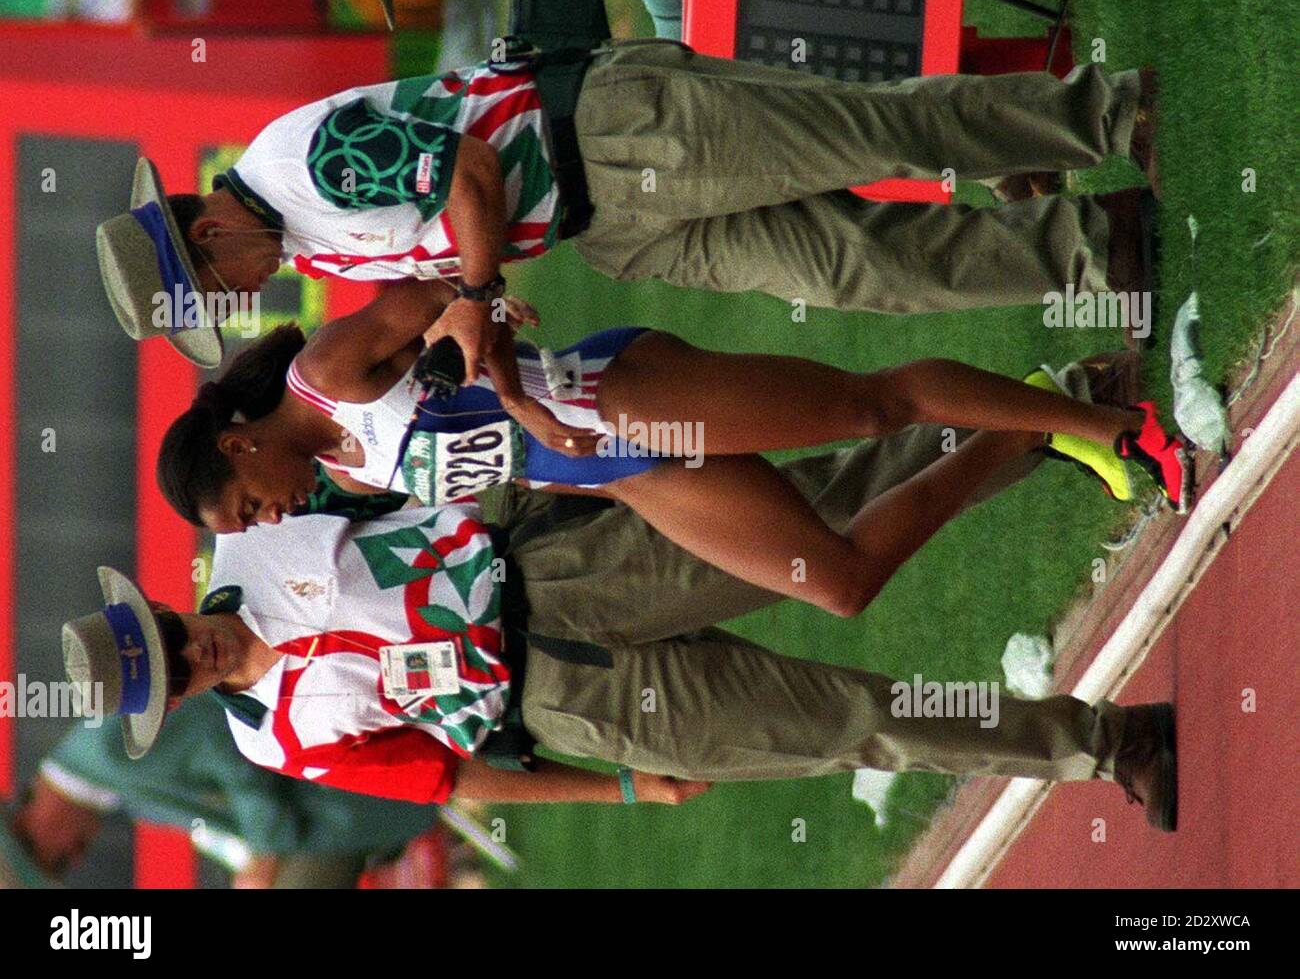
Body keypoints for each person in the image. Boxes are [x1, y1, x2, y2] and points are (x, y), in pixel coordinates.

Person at [61, 418, 1178, 831]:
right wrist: (626, 788)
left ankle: (1049, 413)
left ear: (165, 607)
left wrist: (568, 468)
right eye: (177, 675)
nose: (193, 654)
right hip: (569, 702)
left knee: (826, 509)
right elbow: (451, 783)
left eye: (172, 637)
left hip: (571, 571)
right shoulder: (277, 742)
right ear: (183, 702)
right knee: (849, 728)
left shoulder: (260, 541)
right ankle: (1112, 745)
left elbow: (387, 448)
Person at [93, 40, 1159, 369]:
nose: (240, 298)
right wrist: (455, 329)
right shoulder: (304, 246)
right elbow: (440, 269)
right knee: (850, 270)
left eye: (216, 286)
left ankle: (1109, 113)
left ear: (206, 232)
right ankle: (1092, 248)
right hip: (606, 220)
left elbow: (466, 172)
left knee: (880, 132)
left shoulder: (305, 166)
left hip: (610, 134)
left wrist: (473, 294)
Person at [153, 281, 1188, 618]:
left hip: (621, 399)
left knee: (873, 409)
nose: (268, 524)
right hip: (627, 471)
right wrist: (602, 484)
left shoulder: (328, 372)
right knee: (838, 582)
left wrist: (512, 383)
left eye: (245, 509)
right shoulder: (339, 470)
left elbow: (456, 296)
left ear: (240, 446)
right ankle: (1043, 416)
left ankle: (1120, 427)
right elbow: (499, 459)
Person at [0, 697, 450, 888]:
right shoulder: (104, 779)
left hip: (323, 773)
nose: (77, 859)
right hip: (313, 798)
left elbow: (231, 745)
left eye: (58, 862)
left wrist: (263, 851)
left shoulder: (107, 751)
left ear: (25, 826)